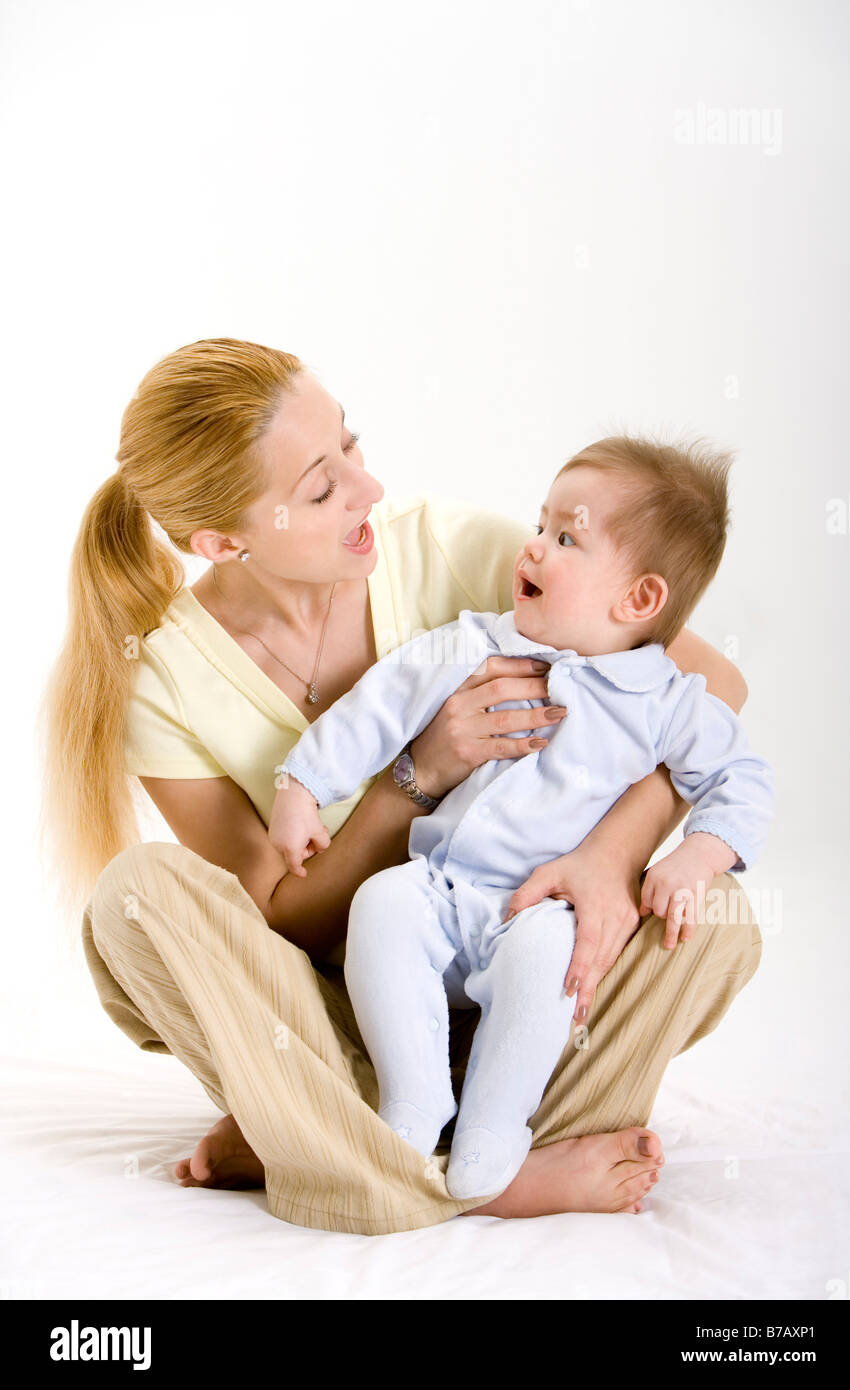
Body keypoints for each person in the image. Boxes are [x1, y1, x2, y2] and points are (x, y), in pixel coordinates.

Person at [38, 338, 762, 1235]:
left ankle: (325, 1143)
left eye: (352, 445)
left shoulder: (452, 549)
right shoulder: (165, 680)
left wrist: (608, 859)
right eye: (320, 486)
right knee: (135, 899)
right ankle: (492, 1178)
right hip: (340, 1009)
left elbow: (707, 690)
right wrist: (414, 778)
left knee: (718, 924)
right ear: (223, 541)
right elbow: (284, 916)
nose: (366, 489)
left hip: (528, 963)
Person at [270, 435, 775, 1200]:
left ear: (638, 599)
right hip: (441, 888)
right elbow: (377, 705)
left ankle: (492, 1124)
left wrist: (697, 854)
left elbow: (743, 777)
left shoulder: (666, 701)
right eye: (541, 526)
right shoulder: (478, 643)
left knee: (550, 964)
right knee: (382, 902)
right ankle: (413, 1096)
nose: (531, 549)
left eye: (564, 538)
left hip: (546, 909)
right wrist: (303, 783)